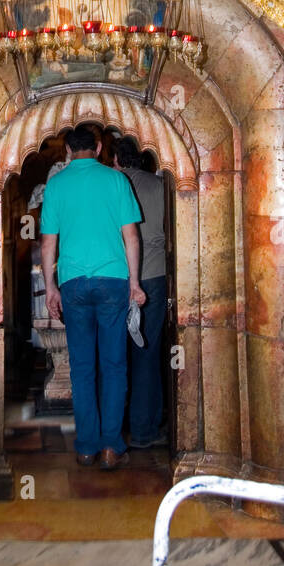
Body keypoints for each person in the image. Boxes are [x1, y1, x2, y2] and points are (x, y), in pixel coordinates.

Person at [40, 124, 145, 471]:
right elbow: (131, 236)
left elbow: (48, 243)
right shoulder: (117, 181)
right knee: (114, 366)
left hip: (74, 283)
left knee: (82, 368)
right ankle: (112, 447)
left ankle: (86, 446)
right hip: (113, 280)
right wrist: (135, 282)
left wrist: (51, 287)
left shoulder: (56, 185)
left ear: (69, 150)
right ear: (99, 148)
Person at [113, 136, 167, 449]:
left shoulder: (110, 185)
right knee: (148, 354)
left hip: (118, 277)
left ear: (116, 160)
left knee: (114, 354)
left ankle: (115, 428)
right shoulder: (159, 186)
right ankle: (146, 427)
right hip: (155, 276)